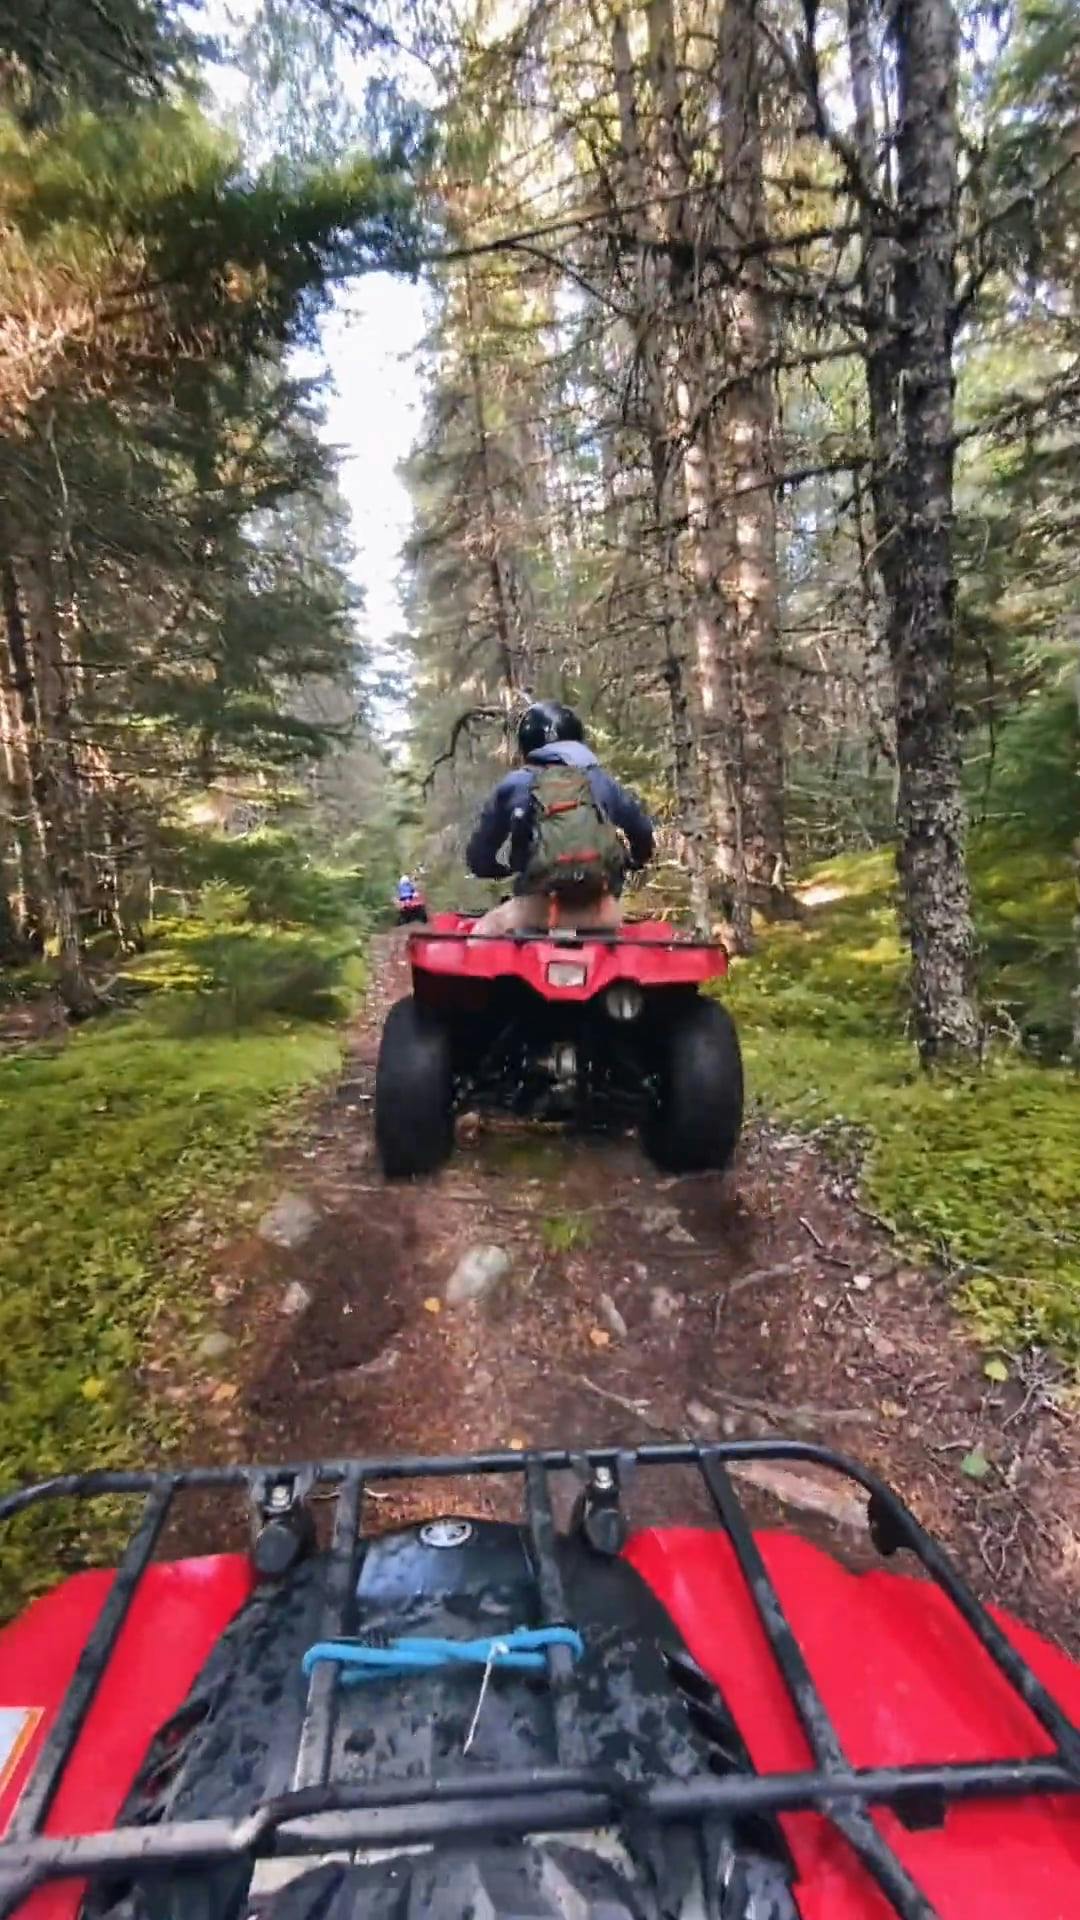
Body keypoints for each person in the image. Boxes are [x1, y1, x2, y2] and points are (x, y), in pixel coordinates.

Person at [466, 701, 655, 935]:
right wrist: (633, 860)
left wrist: (502, 868)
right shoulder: (601, 780)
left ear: (527, 742)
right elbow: (642, 832)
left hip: (535, 912)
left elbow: (479, 858)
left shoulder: (515, 784)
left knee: (481, 934)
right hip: (601, 913)